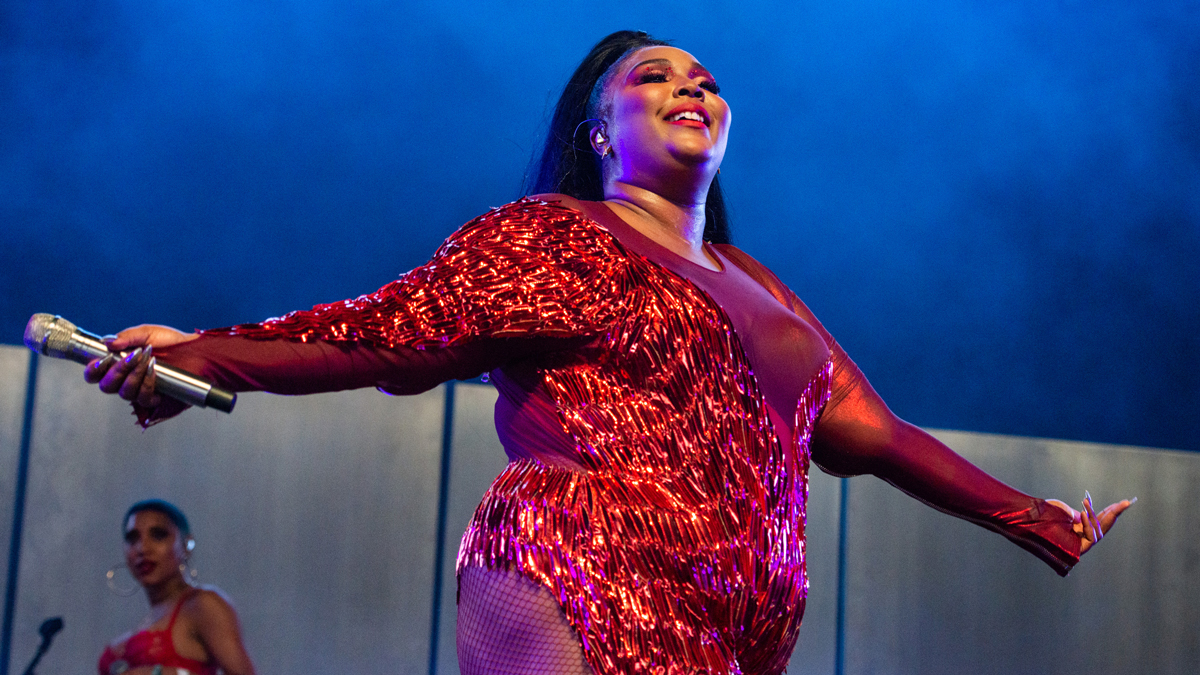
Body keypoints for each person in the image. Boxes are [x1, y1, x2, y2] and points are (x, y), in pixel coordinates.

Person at [83, 31, 1133, 675]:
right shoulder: (553, 235)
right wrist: (208, 355)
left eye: (706, 80)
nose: (692, 86)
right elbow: (390, 332)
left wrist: (1039, 520)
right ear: (598, 129)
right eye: (653, 77)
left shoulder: (761, 287)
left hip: (734, 625)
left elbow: (873, 433)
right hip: (575, 563)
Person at [98, 500, 256, 675]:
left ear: (187, 545)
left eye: (158, 535)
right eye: (132, 538)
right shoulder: (143, 623)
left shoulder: (202, 606)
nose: (142, 548)